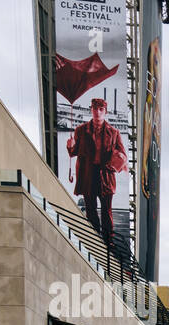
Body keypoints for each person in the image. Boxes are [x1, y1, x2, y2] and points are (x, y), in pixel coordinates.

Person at [66, 98, 126, 247]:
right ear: (91, 110)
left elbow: (123, 154)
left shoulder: (114, 132)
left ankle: (108, 241)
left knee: (107, 210)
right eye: (94, 109)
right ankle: (94, 239)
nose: (97, 112)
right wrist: (70, 146)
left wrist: (114, 164)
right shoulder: (81, 130)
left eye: (100, 109)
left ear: (105, 112)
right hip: (88, 174)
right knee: (90, 209)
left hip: (105, 175)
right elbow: (74, 152)